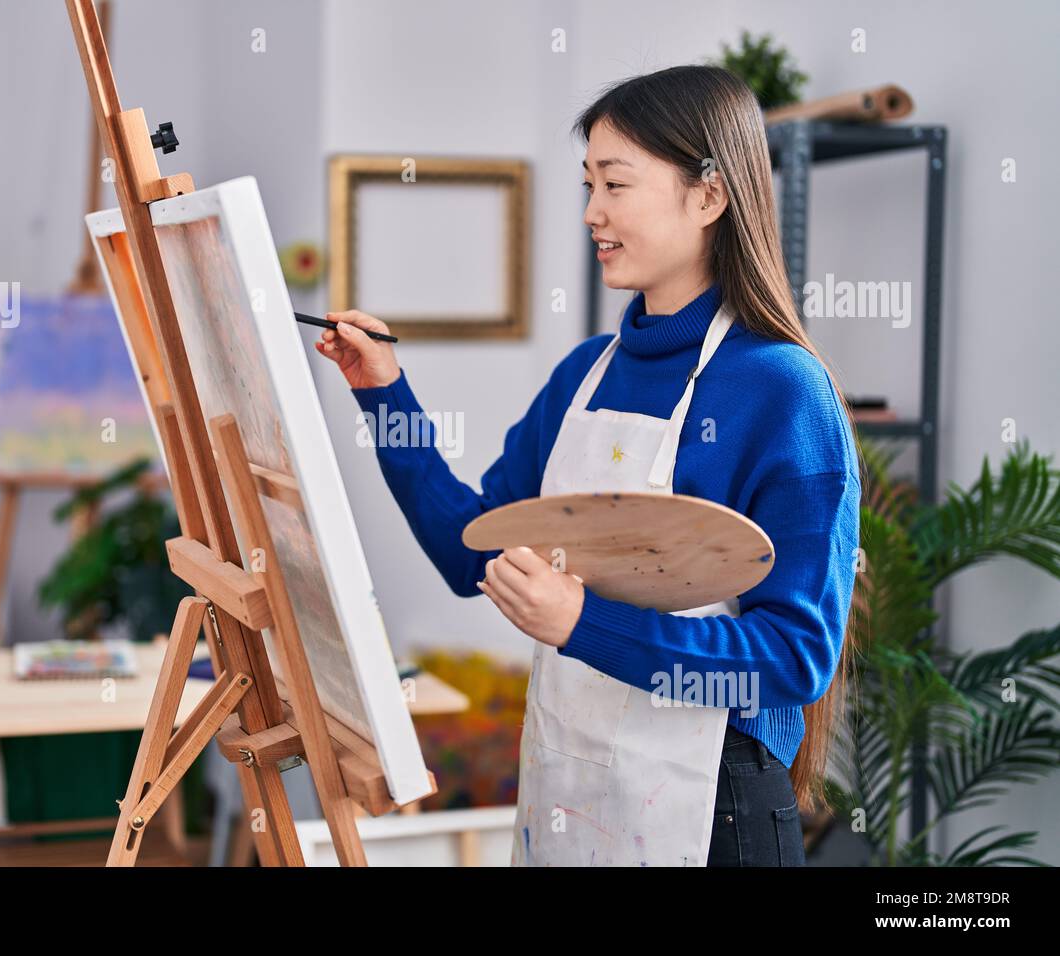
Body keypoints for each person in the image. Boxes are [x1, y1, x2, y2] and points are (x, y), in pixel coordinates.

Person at [314, 65, 861, 867]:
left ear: (708, 198)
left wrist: (581, 624)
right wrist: (385, 396)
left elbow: (792, 660)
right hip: (571, 797)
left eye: (615, 184)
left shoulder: (782, 390)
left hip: (715, 816)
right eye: (588, 185)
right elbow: (471, 551)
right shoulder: (586, 373)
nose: (592, 214)